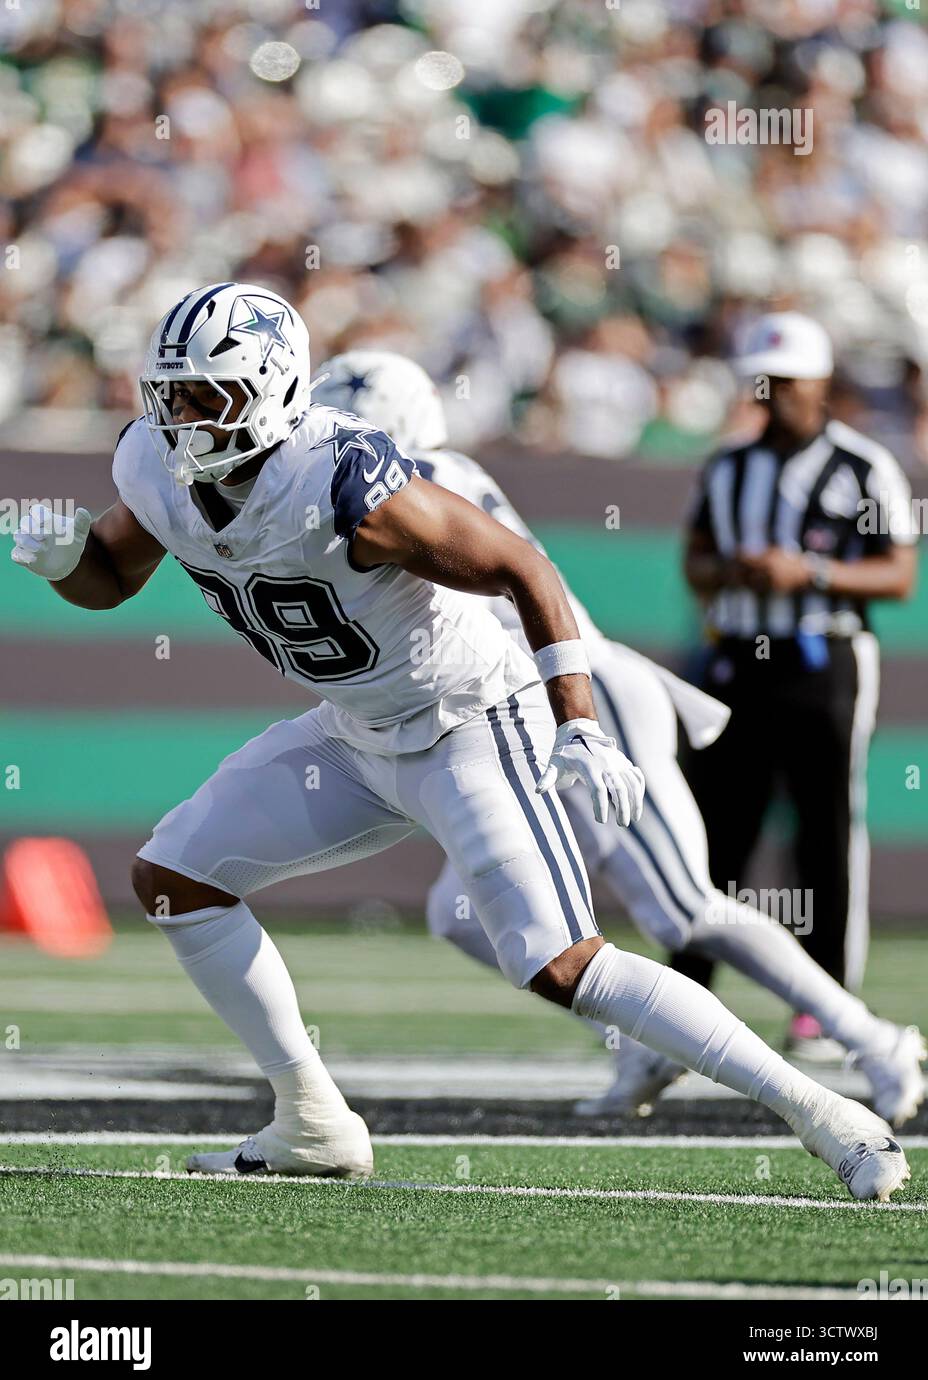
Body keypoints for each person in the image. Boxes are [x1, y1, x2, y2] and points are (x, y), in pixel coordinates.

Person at [10, 283, 913, 1200]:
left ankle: (825, 1113)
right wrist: (63, 561)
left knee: (561, 964)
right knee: (177, 879)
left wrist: (580, 724)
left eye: (209, 396)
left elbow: (525, 567)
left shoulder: (341, 479)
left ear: (276, 390)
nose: (183, 420)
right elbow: (113, 575)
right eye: (171, 395)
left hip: (469, 721)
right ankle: (312, 1120)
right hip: (354, 733)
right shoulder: (155, 470)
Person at [314, 349, 926, 1125]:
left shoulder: (413, 481)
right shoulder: (417, 475)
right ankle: (638, 1043)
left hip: (581, 695)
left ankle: (874, 1040)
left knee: (684, 908)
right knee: (460, 912)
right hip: (513, 709)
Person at [671, 312, 918, 1057]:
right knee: (714, 827)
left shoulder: (864, 465)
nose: (771, 395)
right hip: (740, 657)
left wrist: (806, 572)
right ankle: (683, 1000)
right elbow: (696, 561)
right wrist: (732, 571)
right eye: (762, 381)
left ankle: (826, 1005)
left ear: (819, 385)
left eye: (785, 382)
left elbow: (898, 574)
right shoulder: (728, 466)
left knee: (825, 833)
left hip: (824, 660)